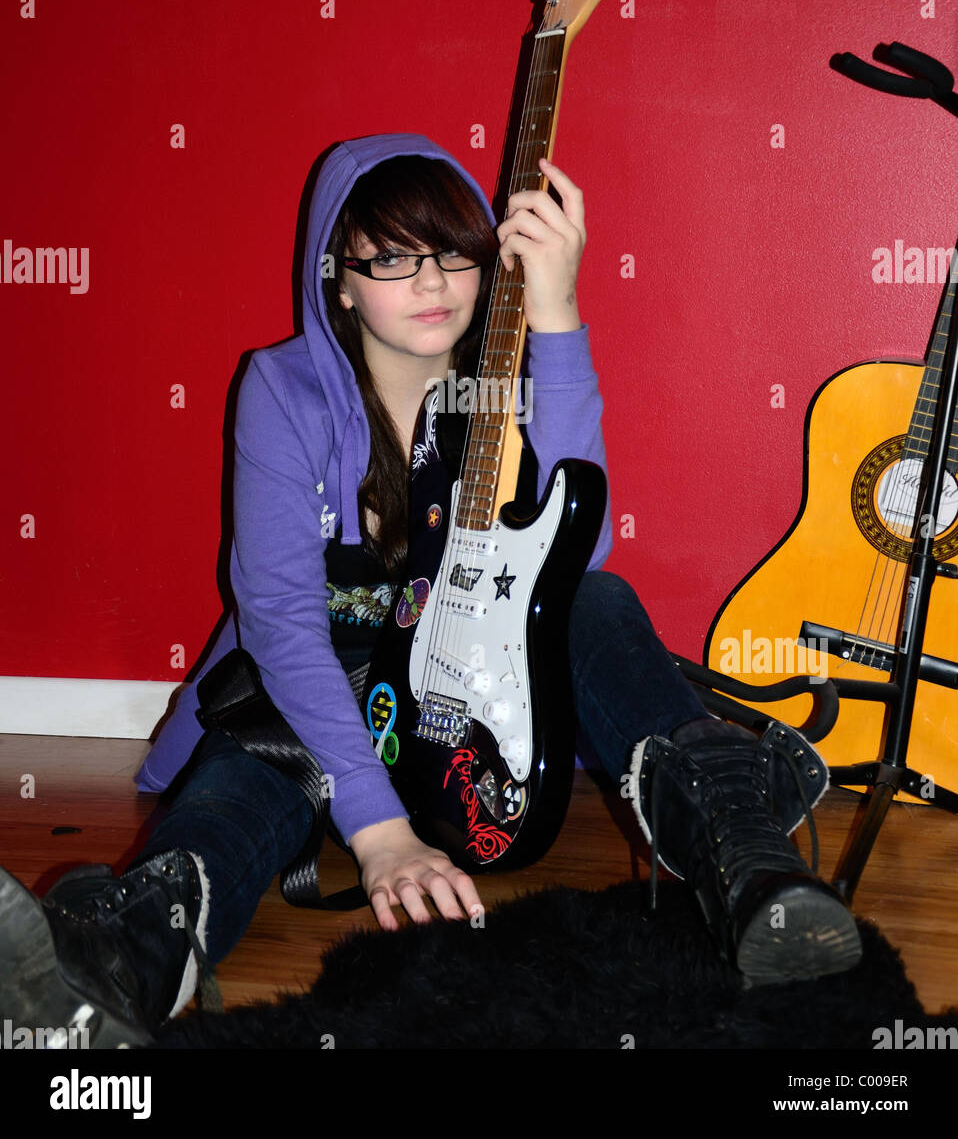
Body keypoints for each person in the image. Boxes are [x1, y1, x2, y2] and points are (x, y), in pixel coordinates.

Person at [0, 134, 860, 1049]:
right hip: (316, 695)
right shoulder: (283, 389)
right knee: (234, 793)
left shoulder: (498, 393)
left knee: (594, 598)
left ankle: (748, 860)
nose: (432, 281)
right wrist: (379, 832)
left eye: (454, 252)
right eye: (392, 259)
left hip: (468, 702)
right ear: (339, 281)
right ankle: (108, 968)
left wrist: (558, 315)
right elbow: (283, 625)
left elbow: (584, 551)